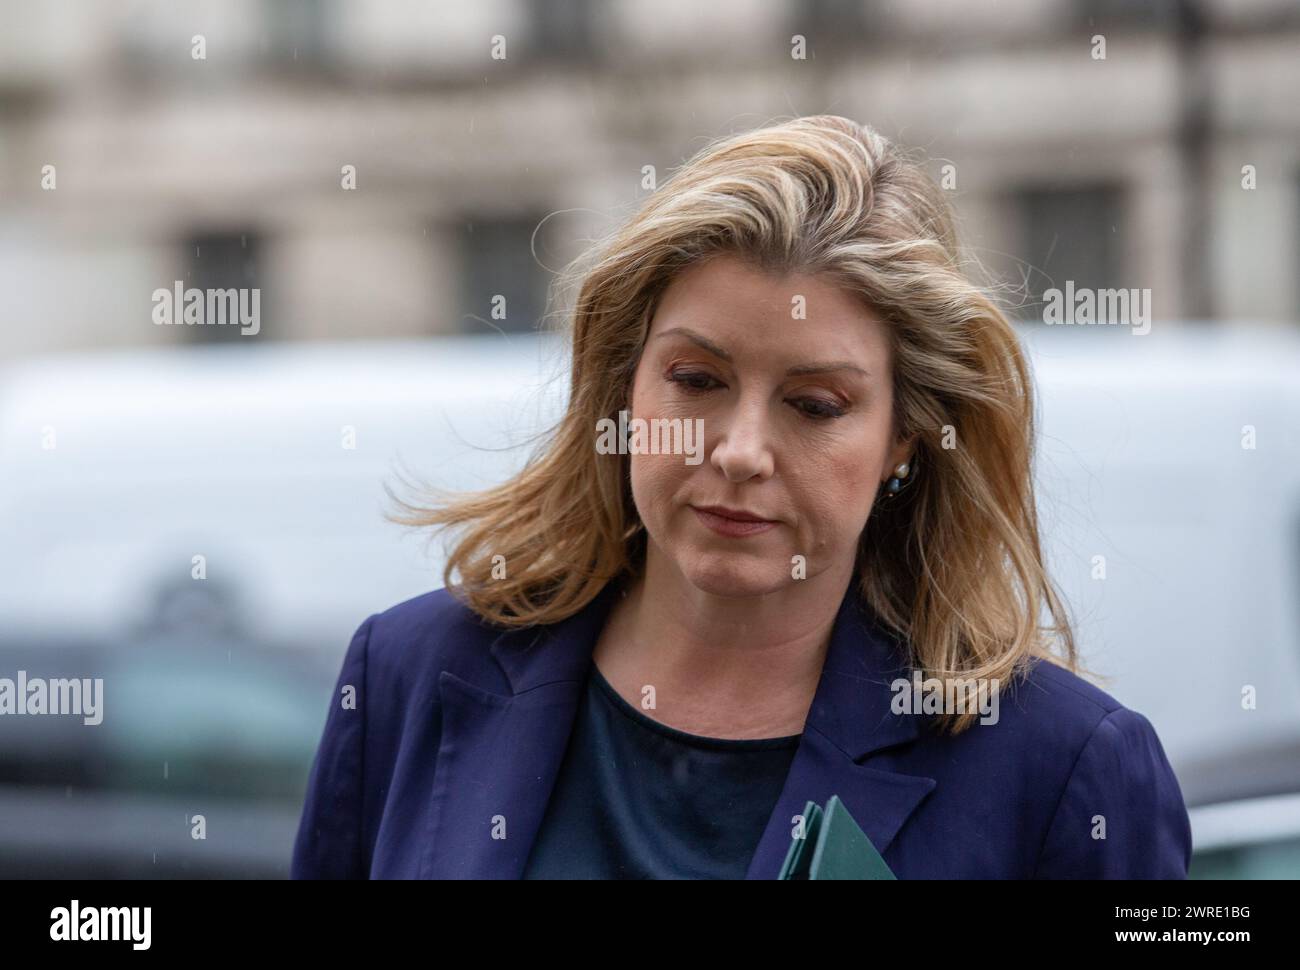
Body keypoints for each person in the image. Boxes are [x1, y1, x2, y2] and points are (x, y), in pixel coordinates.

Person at [291, 115, 1191, 879]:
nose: (740, 451)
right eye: (696, 378)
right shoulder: (409, 674)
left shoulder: (1062, 769)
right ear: (624, 386)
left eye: (814, 405)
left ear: (905, 440)